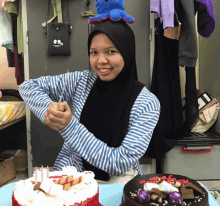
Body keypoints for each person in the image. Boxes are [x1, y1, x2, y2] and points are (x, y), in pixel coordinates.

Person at [19, 19, 160, 184]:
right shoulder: (83, 82)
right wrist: (50, 108)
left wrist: (69, 126)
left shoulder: (147, 103)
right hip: (73, 177)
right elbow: (28, 86)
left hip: (119, 181)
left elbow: (119, 163)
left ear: (127, 52)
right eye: (94, 52)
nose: (101, 61)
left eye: (111, 51)